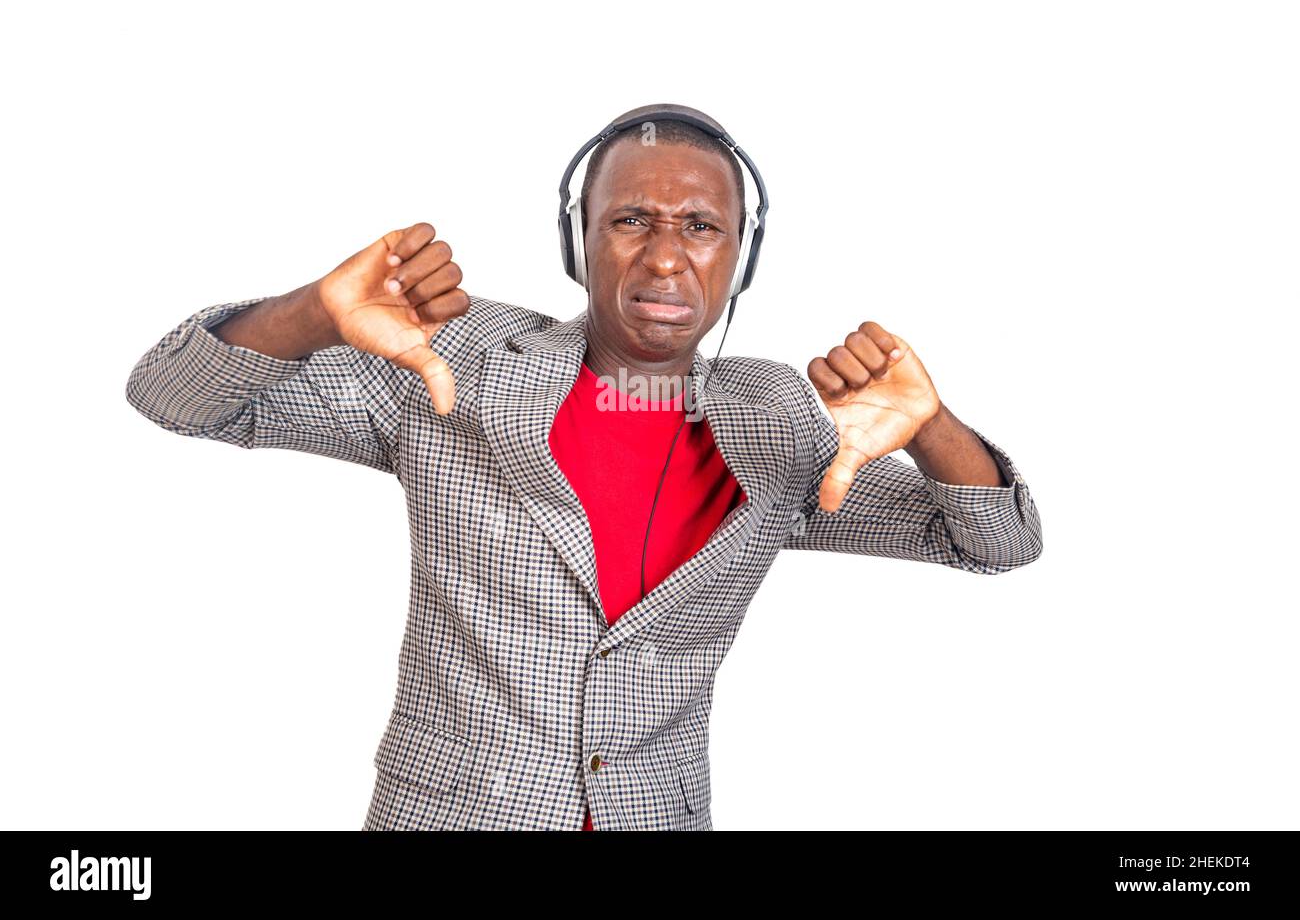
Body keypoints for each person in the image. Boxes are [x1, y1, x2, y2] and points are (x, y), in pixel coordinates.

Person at [125, 103, 1043, 830]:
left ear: (742, 256)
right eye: (631, 219)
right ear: (580, 241)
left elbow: (995, 544)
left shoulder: (778, 427)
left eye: (702, 226)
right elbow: (174, 397)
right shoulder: (458, 363)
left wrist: (933, 428)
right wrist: (314, 314)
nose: (667, 256)